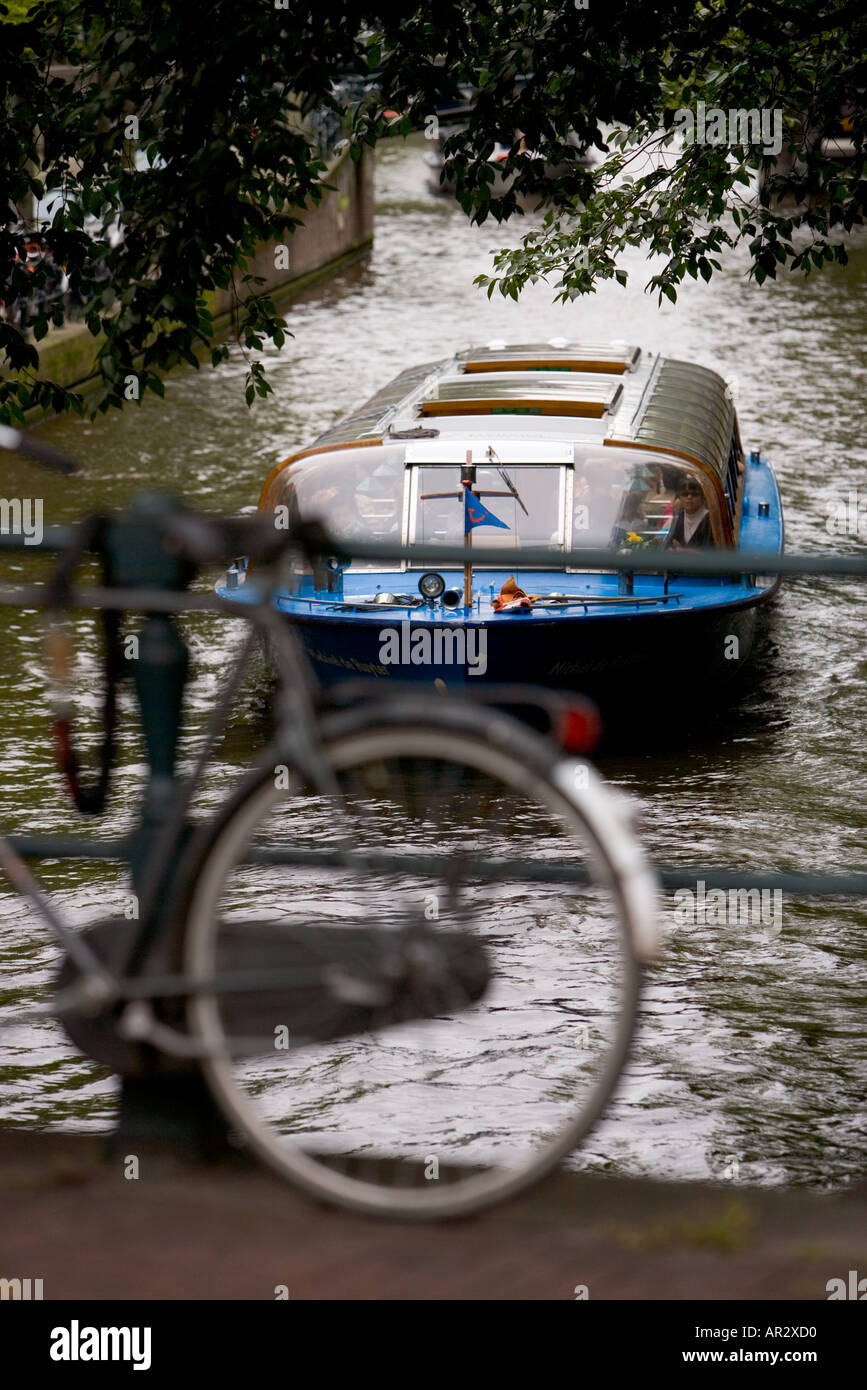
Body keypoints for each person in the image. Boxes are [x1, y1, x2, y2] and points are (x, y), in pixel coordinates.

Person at [664, 477, 714, 550]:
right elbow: (670, 545)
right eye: (685, 494)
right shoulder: (679, 516)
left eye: (694, 494)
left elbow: (710, 553)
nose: (689, 497)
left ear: (703, 496)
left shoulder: (710, 519)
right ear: (679, 498)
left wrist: (682, 550)